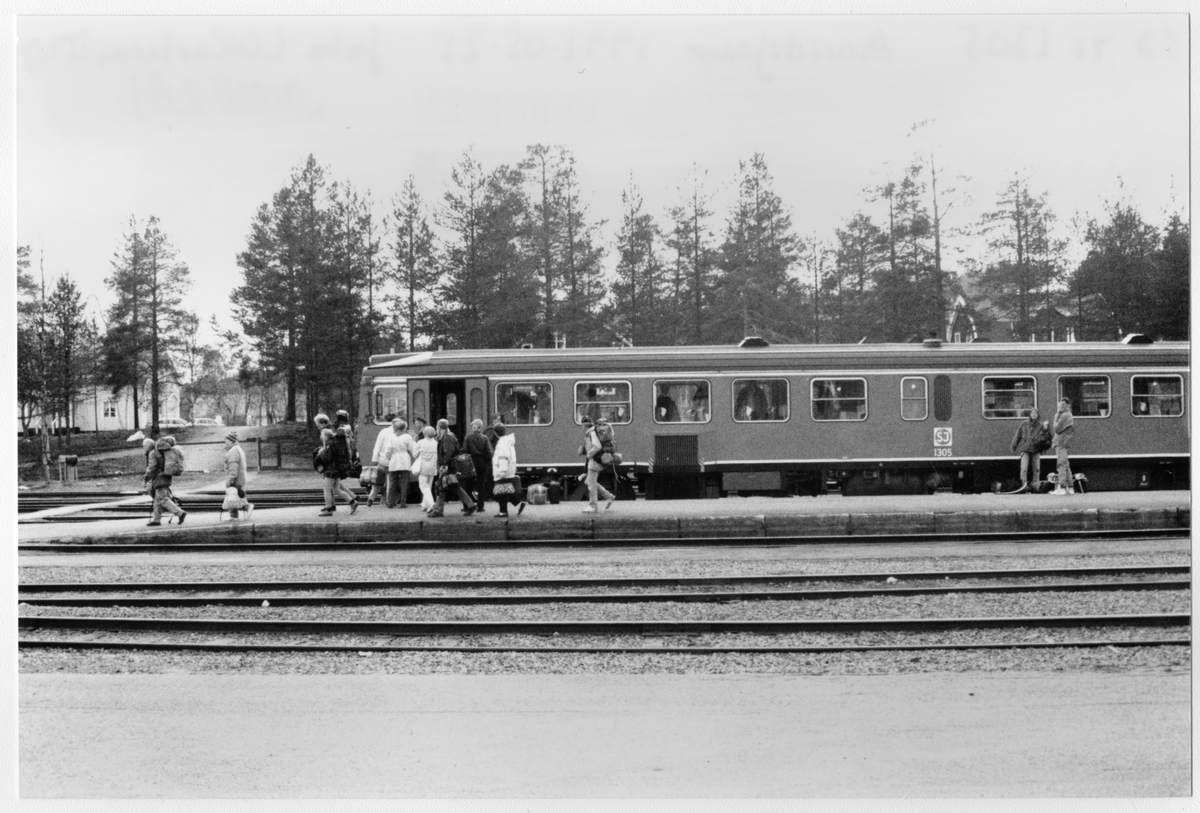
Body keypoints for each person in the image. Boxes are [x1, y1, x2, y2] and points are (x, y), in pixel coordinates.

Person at [428, 418, 477, 518]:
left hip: (448, 467)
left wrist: (443, 464)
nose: (436, 427)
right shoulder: (449, 436)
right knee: (455, 486)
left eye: (437, 426)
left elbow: (448, 452)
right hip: (449, 466)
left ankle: (438, 510)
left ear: (439, 427)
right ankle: (471, 505)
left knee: (441, 486)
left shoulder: (447, 437)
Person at [144, 436, 186, 526]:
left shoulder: (153, 453)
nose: (144, 448)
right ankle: (156, 520)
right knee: (157, 499)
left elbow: (152, 467)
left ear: (148, 446)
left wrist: (146, 477)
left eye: (144, 446)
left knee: (162, 499)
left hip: (159, 478)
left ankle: (180, 513)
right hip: (165, 476)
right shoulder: (161, 452)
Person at [317, 427, 359, 516]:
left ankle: (328, 509)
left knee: (327, 489)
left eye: (322, 435)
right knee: (337, 490)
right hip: (337, 470)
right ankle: (352, 502)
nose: (321, 437)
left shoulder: (329, 444)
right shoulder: (335, 443)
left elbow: (327, 458)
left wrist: (320, 453)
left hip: (331, 471)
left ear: (326, 436)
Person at [581, 416, 615, 514]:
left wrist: (589, 454)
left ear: (583, 425)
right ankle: (609, 497)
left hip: (595, 461)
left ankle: (593, 506)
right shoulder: (592, 432)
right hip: (595, 461)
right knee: (590, 482)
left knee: (591, 485)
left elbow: (597, 446)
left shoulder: (591, 433)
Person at [1009, 408, 1049, 493]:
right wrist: (1013, 445)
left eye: (1035, 413)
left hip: (1036, 449)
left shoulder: (1041, 425)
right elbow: (1018, 435)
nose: (1034, 415)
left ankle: (1036, 486)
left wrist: (1046, 428)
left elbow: (1046, 436)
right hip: (1025, 448)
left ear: (1038, 415)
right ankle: (1023, 486)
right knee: (1024, 469)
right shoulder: (1024, 424)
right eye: (1032, 413)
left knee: (1036, 469)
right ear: (1030, 415)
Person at [491, 422, 525, 517]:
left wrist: (502, 471)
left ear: (495, 433)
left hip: (502, 470)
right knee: (506, 491)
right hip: (507, 470)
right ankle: (518, 504)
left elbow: (503, 457)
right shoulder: (507, 442)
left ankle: (503, 511)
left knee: (501, 493)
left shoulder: (502, 443)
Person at [222, 431, 254, 520]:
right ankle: (233, 514)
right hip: (240, 478)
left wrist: (230, 480)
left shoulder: (233, 451)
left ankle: (246, 507)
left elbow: (233, 467)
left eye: (226, 441)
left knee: (234, 495)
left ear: (231, 441)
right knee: (234, 496)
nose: (225, 444)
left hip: (236, 479)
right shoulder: (238, 449)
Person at [385, 418, 417, 508]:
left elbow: (387, 451)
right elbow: (412, 449)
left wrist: (389, 458)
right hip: (404, 460)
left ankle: (390, 502)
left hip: (394, 460)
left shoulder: (391, 437)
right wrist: (416, 456)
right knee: (404, 483)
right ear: (404, 428)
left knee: (392, 483)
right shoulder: (408, 437)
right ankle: (403, 503)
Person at [464, 418, 495, 508]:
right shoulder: (485, 438)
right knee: (481, 484)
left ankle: (468, 505)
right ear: (480, 428)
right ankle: (481, 506)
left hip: (470, 463)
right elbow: (489, 452)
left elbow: (464, 450)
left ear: (474, 427)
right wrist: (487, 463)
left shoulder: (468, 437)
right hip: (482, 463)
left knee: (468, 484)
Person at [366, 421, 394, 507]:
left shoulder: (383, 432)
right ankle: (388, 500)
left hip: (381, 460)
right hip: (391, 462)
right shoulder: (398, 434)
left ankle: (370, 499)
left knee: (378, 482)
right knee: (390, 482)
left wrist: (375, 459)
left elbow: (377, 446)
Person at [1052, 397, 1076, 495]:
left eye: (1063, 404)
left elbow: (1056, 429)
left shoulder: (1065, 415)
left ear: (1068, 406)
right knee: (1065, 464)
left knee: (1061, 464)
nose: (1061, 406)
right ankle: (1070, 487)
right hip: (1063, 442)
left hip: (1061, 442)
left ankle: (1062, 487)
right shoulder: (1068, 415)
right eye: (1060, 404)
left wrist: (1056, 416)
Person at [413, 425, 439, 511]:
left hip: (423, 467)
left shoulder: (421, 442)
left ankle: (431, 504)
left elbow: (414, 454)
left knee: (423, 486)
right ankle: (425, 505)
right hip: (433, 467)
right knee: (429, 486)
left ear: (425, 434)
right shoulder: (436, 443)